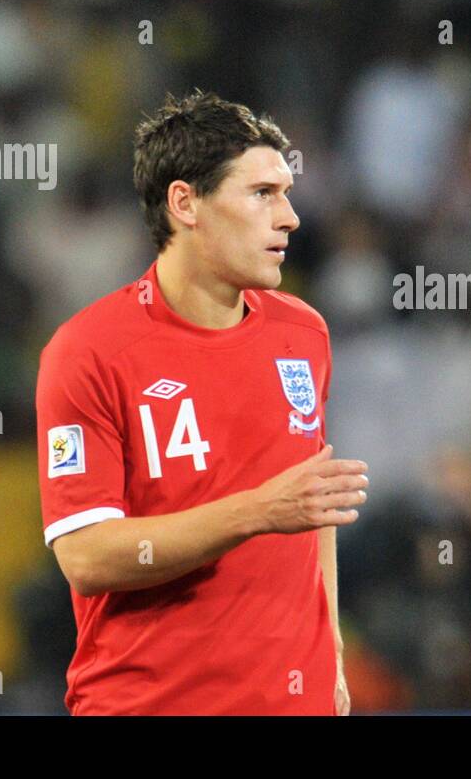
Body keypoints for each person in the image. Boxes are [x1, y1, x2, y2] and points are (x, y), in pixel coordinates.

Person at [35, 91, 368, 714]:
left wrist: (335, 661)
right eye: (262, 193)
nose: (290, 216)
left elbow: (311, 503)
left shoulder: (304, 334)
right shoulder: (89, 352)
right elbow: (86, 554)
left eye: (287, 191)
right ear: (185, 202)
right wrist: (256, 510)